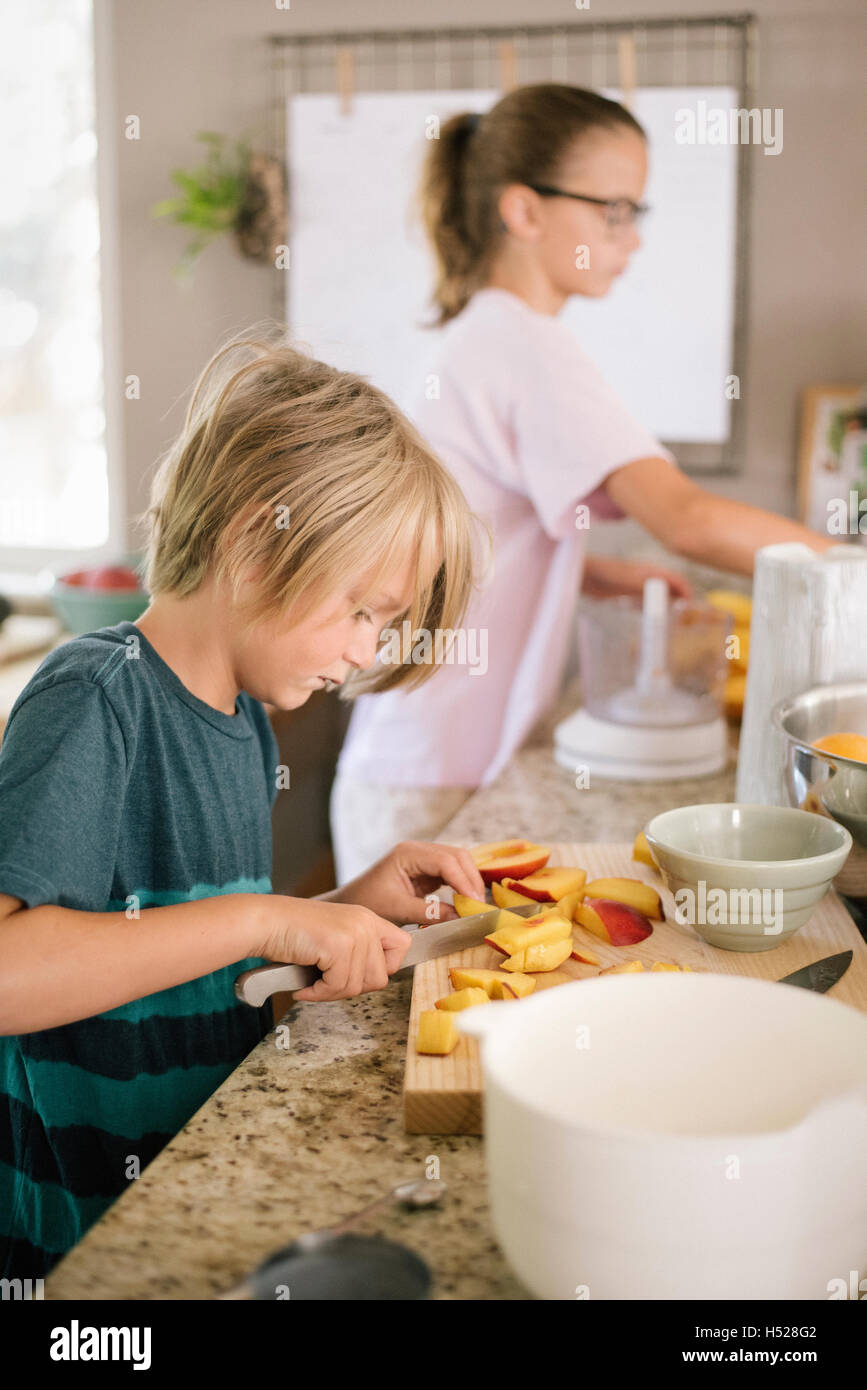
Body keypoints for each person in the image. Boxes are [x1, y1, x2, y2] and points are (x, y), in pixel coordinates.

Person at [0, 332, 488, 1280]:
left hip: (191, 1169)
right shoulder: (98, 697)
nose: (364, 651)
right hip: (84, 1235)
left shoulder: (243, 719)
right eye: (364, 609)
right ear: (254, 545)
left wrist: (340, 909)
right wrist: (268, 914)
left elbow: (195, 952)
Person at [330, 83, 832, 883]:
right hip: (434, 774)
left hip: (412, 757)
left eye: (636, 212)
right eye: (613, 211)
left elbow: (467, 536)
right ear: (524, 212)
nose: (630, 237)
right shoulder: (525, 346)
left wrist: (593, 573)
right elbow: (687, 519)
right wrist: (846, 563)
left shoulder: (484, 336)